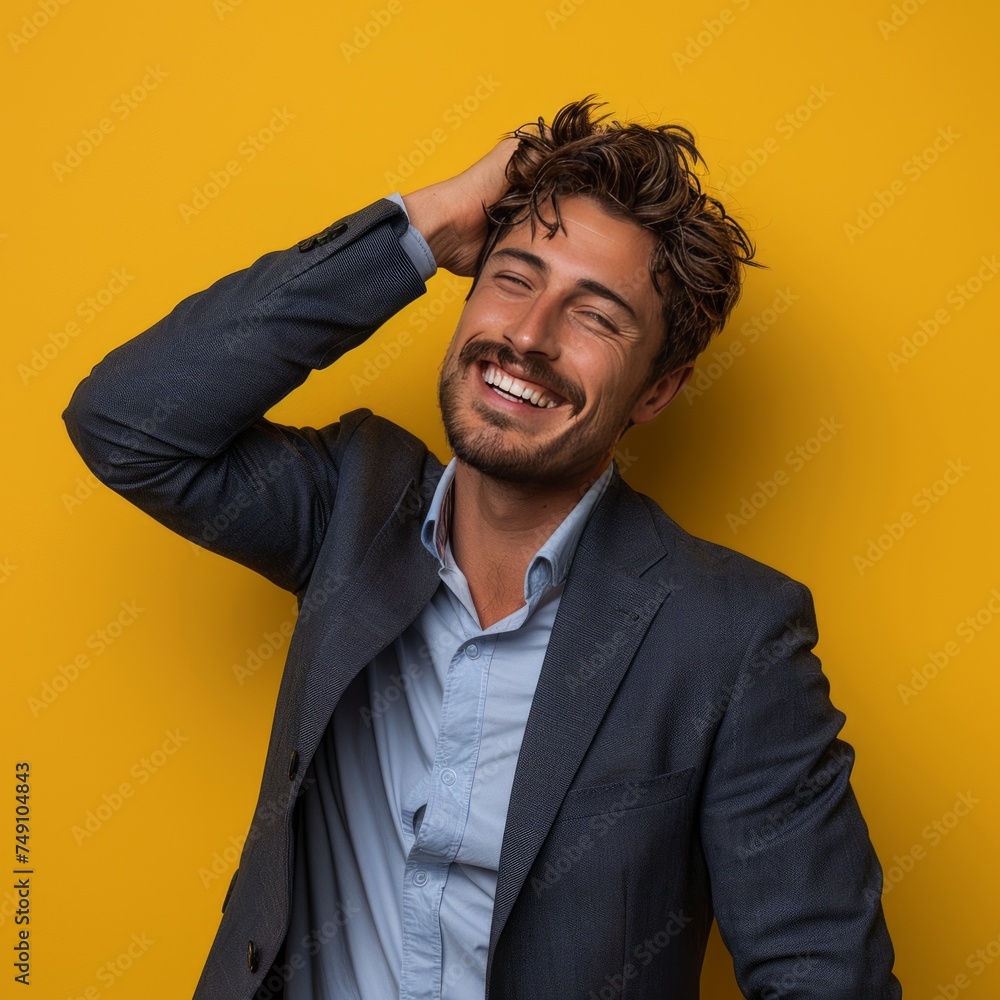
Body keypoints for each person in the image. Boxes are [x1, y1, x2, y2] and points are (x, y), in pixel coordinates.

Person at [62, 96, 902, 999]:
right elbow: (128, 423)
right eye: (513, 278)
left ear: (657, 390)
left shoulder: (730, 640)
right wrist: (425, 225)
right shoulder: (349, 511)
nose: (529, 337)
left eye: (596, 316)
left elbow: (826, 978)